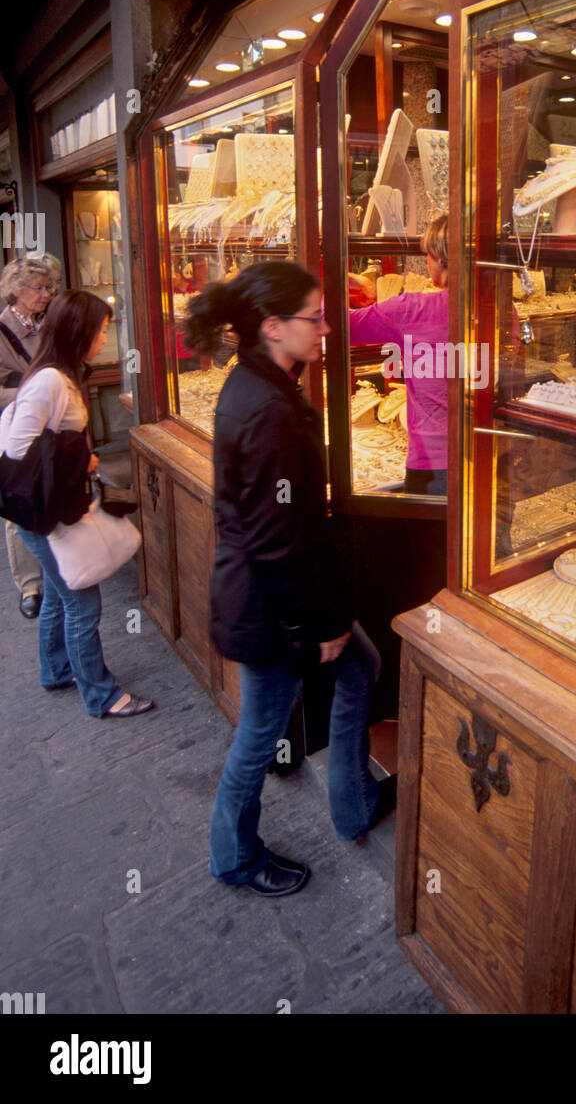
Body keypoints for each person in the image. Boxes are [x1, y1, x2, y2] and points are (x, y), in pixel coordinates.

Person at [184, 262, 395, 898]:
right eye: (314, 316)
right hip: (271, 609)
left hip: (270, 596)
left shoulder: (259, 381)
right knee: (260, 735)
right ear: (274, 327)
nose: (327, 325)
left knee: (360, 668)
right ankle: (234, 855)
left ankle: (352, 804)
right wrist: (319, 624)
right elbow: (278, 538)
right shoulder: (267, 409)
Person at [1, 290, 154, 717]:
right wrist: (80, 459)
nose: (104, 340)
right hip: (44, 513)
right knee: (82, 603)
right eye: (100, 331)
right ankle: (102, 695)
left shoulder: (58, 375)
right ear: (77, 333)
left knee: (57, 593)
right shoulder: (51, 380)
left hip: (44, 511)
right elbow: (16, 448)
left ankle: (55, 670)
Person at [348, 215, 449, 495]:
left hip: (433, 467)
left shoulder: (410, 309)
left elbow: (335, 323)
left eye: (428, 254)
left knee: (431, 539)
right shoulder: (501, 308)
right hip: (491, 459)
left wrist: (345, 283)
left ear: (440, 259)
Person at [0, 254, 62, 618]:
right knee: (16, 505)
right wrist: (29, 394)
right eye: (38, 288)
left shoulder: (48, 322)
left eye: (48, 287)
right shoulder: (2, 331)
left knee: (49, 492)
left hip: (51, 428)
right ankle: (29, 585)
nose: (45, 294)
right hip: (16, 428)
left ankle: (56, 566)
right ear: (17, 291)